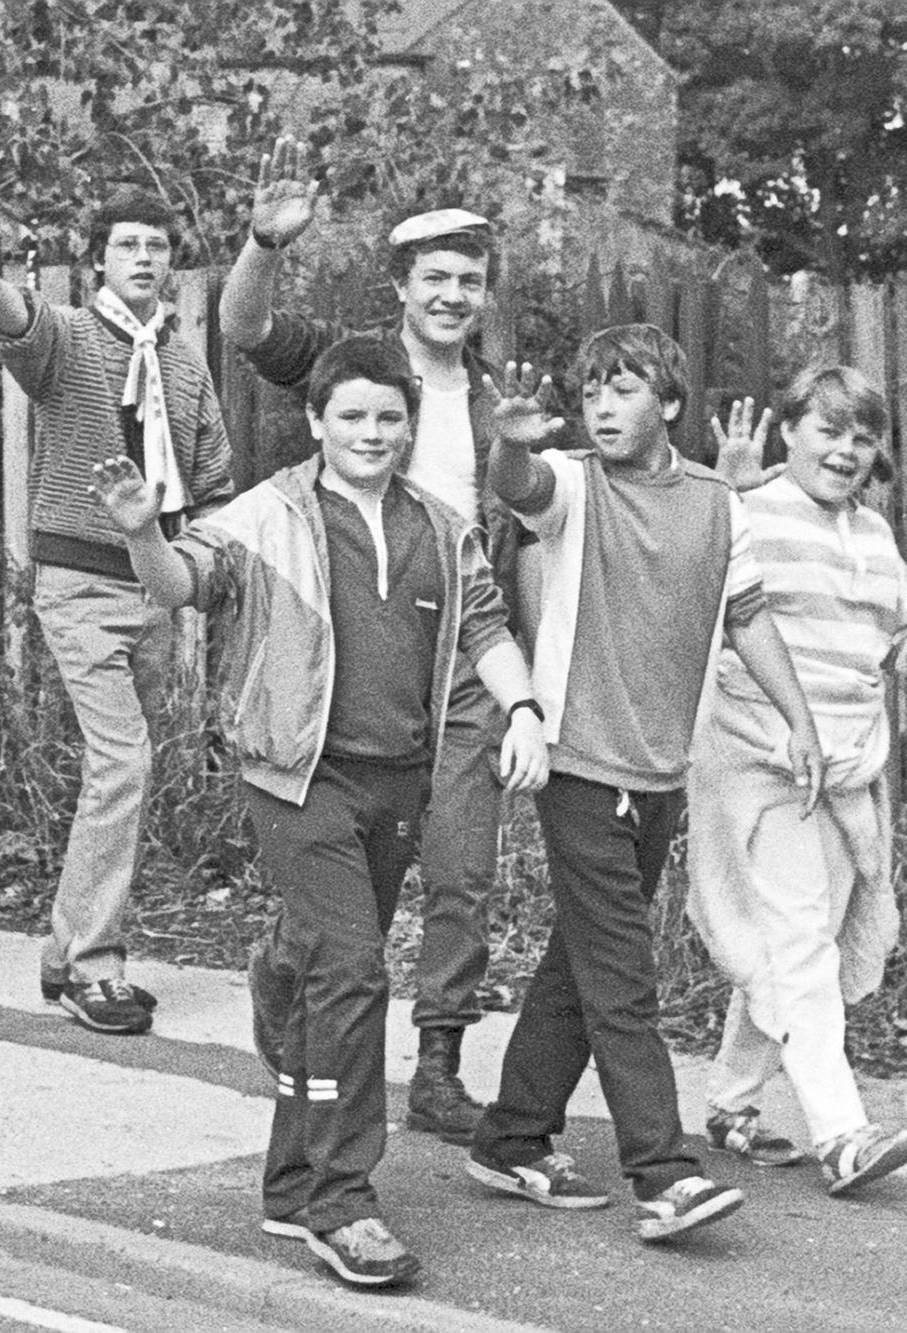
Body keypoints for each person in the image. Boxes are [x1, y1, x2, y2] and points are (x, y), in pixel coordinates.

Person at [95, 336, 547, 1288]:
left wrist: (525, 709)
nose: (372, 432)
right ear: (317, 422)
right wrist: (142, 531)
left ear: (409, 424)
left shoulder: (441, 523)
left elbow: (486, 627)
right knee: (353, 970)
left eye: (389, 416)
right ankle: (344, 1196)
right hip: (296, 776)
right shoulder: (268, 514)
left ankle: (290, 1177)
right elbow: (182, 583)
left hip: (398, 779)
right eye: (353, 416)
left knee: (320, 975)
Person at [466, 325, 824, 1242]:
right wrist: (510, 438)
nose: (600, 407)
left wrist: (801, 719)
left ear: (668, 403)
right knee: (623, 972)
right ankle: (663, 1172)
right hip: (580, 762)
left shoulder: (717, 501)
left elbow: (747, 615)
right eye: (590, 393)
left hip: (663, 768)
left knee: (579, 959)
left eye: (621, 390)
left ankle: (511, 1135)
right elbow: (519, 486)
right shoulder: (574, 484)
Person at [222, 137, 520, 1141]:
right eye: (433, 277)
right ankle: (285, 963)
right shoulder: (350, 366)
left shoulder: (491, 395)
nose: (450, 296)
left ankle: (436, 1058)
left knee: (461, 866)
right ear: (397, 284)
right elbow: (241, 324)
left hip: (463, 647)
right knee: (353, 887)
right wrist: (265, 240)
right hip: (354, 646)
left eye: (467, 281)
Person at [0, 193, 236, 1034]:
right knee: (124, 763)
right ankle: (92, 964)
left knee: (124, 768)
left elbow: (212, 479)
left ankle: (62, 948)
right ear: (99, 261)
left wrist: (197, 566)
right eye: (125, 245)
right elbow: (19, 329)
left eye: (156, 245)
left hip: (154, 586)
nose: (142, 258)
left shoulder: (183, 361)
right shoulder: (71, 336)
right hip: (76, 584)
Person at [688, 369, 907, 1195]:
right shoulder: (748, 511)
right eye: (829, 430)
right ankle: (842, 1134)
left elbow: (887, 643)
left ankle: (733, 1102)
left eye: (863, 436)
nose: (847, 450)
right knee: (801, 942)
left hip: (849, 768)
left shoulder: (875, 533)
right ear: (789, 432)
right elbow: (699, 591)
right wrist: (729, 492)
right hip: (763, 757)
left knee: (801, 934)